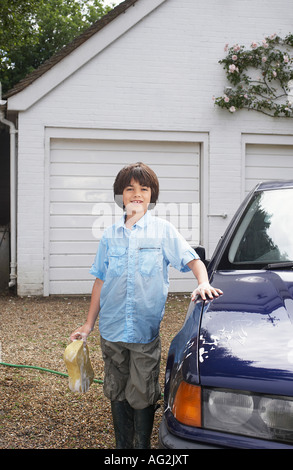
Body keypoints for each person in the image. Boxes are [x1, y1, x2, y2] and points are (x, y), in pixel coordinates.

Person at [70, 162, 222, 449]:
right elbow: (100, 281)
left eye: (143, 188)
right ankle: (122, 447)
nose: (136, 193)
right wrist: (88, 325)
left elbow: (193, 260)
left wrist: (202, 282)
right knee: (116, 388)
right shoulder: (109, 236)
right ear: (120, 196)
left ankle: (142, 448)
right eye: (129, 189)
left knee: (142, 390)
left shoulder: (163, 231)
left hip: (144, 332)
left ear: (152, 195)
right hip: (112, 331)